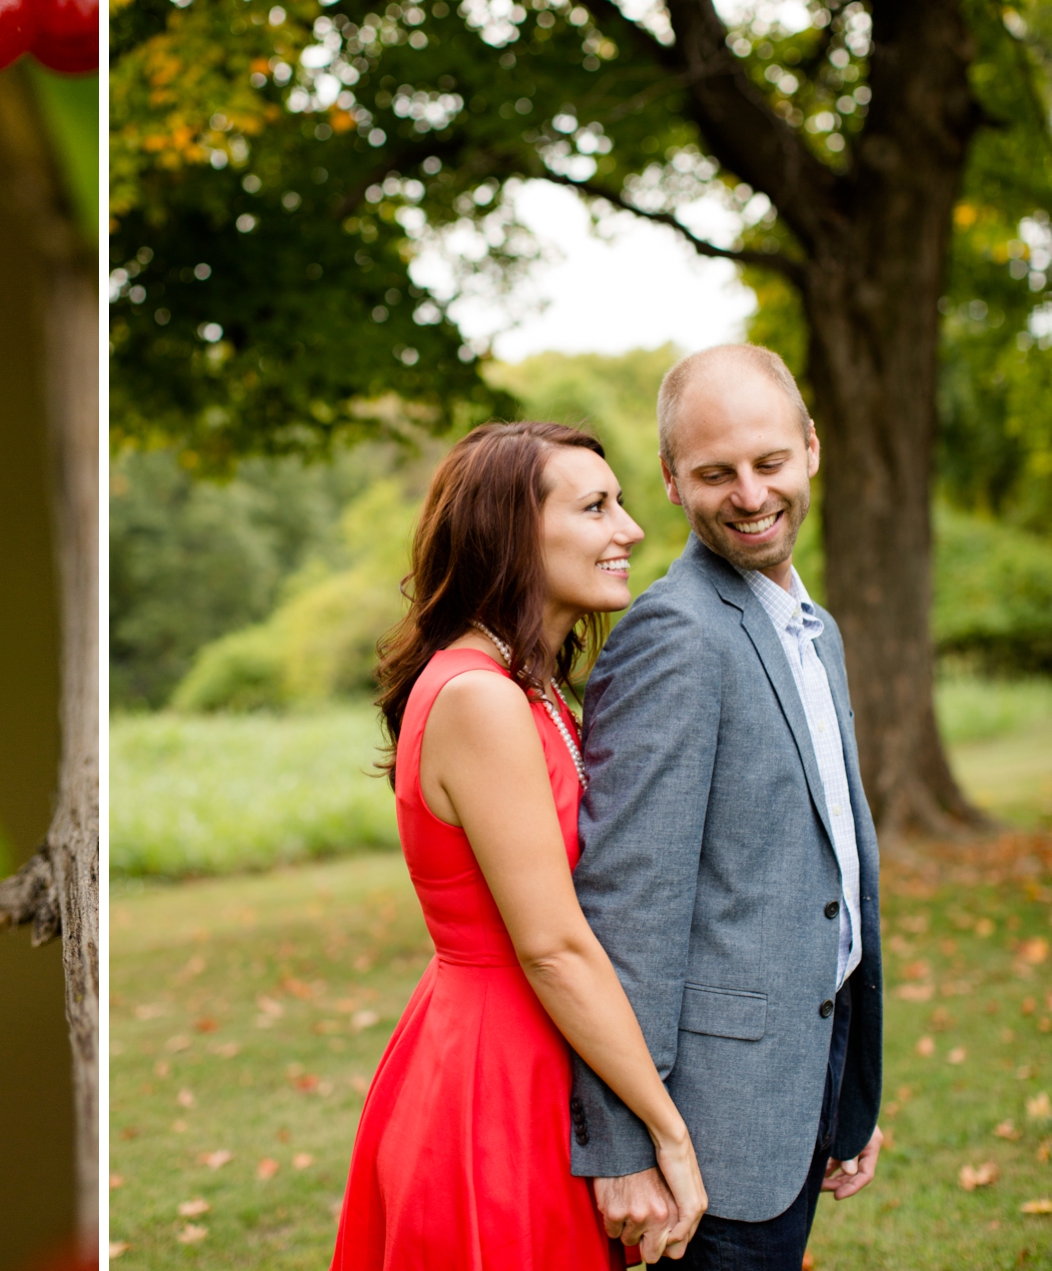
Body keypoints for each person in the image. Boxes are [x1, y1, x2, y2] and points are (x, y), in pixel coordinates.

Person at [332, 420, 709, 1270]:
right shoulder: (480, 699)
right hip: (500, 1072)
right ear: (513, 532)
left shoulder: (521, 686)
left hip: (532, 1046)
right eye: (597, 507)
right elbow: (553, 947)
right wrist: (666, 1130)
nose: (631, 529)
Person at [570, 343, 885, 1269]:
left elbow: (829, 875)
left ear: (812, 450)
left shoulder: (810, 627)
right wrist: (625, 1148)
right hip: (707, 1121)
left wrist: (851, 1090)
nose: (749, 494)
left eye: (770, 462)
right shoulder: (675, 633)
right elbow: (628, 908)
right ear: (671, 481)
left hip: (804, 1074)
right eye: (716, 473)